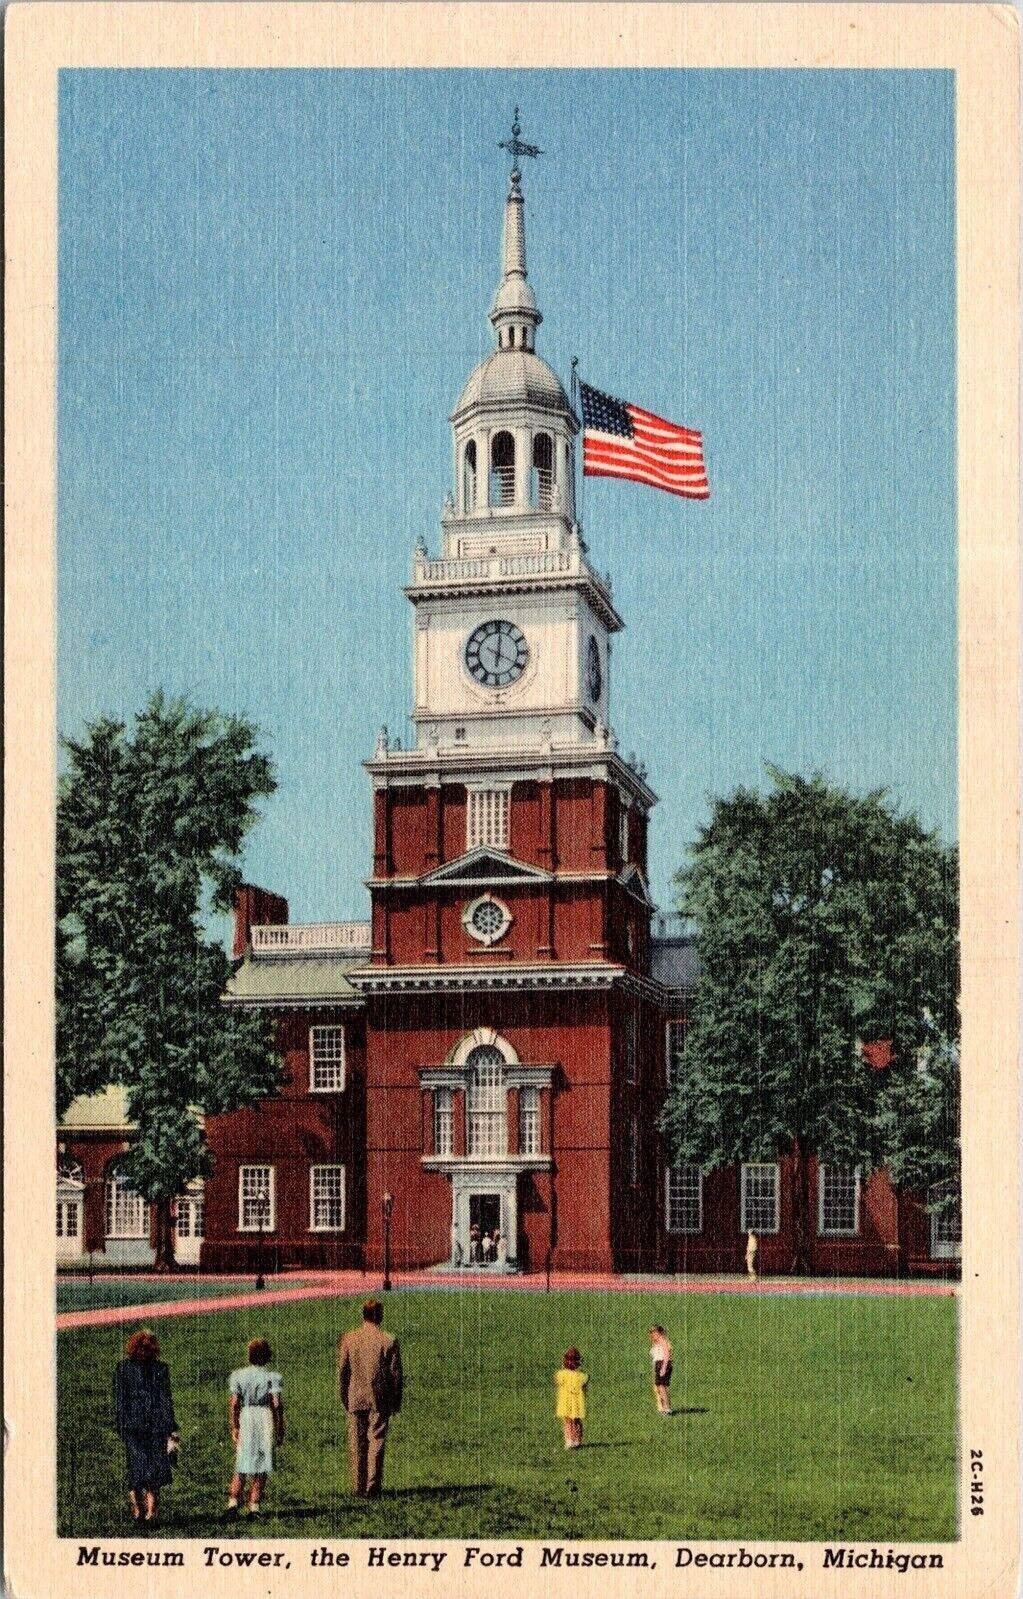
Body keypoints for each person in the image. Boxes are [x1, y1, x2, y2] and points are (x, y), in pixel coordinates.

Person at [337, 1299, 403, 1498]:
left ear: (363, 1315)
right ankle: (372, 1486)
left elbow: (342, 1371)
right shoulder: (388, 1340)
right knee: (376, 1441)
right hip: (379, 1397)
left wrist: (344, 1396)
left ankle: (358, 1485)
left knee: (357, 1442)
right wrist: (396, 1399)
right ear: (379, 1316)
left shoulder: (349, 1338)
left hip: (355, 1396)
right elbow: (396, 1375)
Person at [113, 1329, 179, 1526]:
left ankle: (142, 1512)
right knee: (150, 1470)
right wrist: (171, 1428)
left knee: (140, 1470)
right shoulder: (160, 1369)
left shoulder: (123, 1368)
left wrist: (122, 1424)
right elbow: (165, 1400)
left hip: (137, 1426)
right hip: (150, 1425)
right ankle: (148, 1512)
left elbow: (120, 1400)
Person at [225, 1339, 285, 1520]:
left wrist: (235, 1425)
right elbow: (276, 1404)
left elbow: (235, 1403)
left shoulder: (238, 1375)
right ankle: (254, 1506)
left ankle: (233, 1503)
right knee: (262, 1462)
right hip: (264, 1417)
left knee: (242, 1460)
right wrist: (280, 1426)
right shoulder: (272, 1377)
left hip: (247, 1416)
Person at [554, 1346, 588, 1449]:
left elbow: (557, 1382)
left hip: (566, 1403)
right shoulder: (582, 1376)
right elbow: (585, 1387)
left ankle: (569, 1440)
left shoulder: (561, 1375)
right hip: (577, 1403)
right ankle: (577, 1440)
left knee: (568, 1422)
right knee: (577, 1422)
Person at [649, 1325, 673, 1415]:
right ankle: (663, 1408)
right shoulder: (656, 1342)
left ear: (659, 1333)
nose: (653, 1335)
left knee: (662, 1387)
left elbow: (666, 1354)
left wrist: (663, 1367)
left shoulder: (663, 1340)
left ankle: (667, 1408)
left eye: (655, 1333)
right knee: (659, 1387)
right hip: (658, 1364)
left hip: (663, 1364)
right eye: (652, 1333)